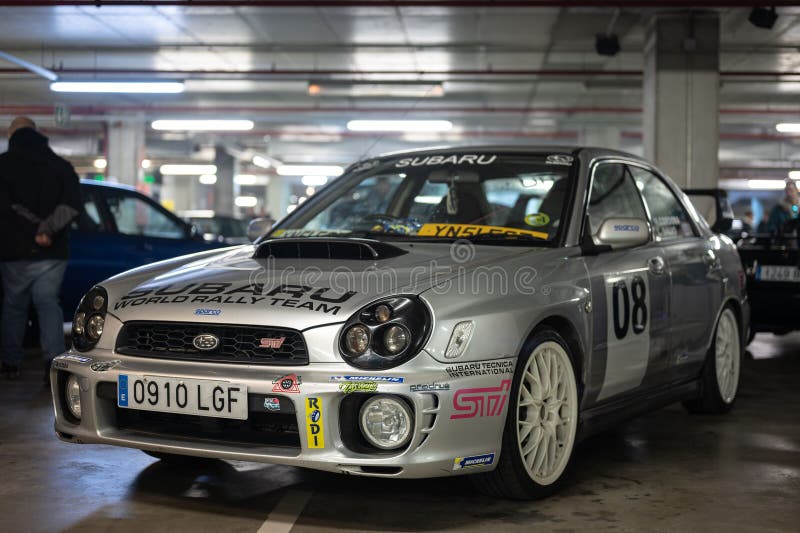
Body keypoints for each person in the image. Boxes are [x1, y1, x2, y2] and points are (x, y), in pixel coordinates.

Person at [0, 117, 81, 382]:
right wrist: (47, 230)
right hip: (52, 253)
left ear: (12, 135)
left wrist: (33, 231)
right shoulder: (61, 166)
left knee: (14, 305)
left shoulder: (3, 165)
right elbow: (71, 205)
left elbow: (6, 208)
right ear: (37, 133)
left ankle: (11, 363)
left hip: (13, 251)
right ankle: (52, 366)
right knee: (48, 304)